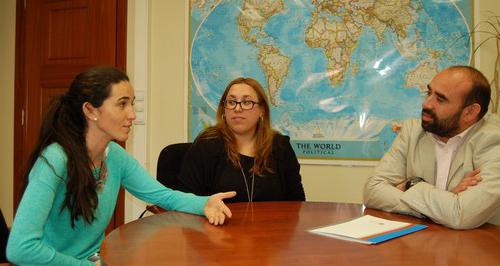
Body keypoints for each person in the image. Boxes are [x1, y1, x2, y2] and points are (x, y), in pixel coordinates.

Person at [6, 66, 236, 265]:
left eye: (132, 104)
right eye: (122, 104)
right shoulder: (55, 160)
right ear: (90, 110)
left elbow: (162, 195)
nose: (132, 115)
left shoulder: (114, 155)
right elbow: (20, 249)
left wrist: (204, 203)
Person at [364, 65, 500, 229]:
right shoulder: (412, 132)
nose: (426, 104)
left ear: (470, 112)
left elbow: (461, 215)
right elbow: (372, 192)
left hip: (475, 249)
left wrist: (410, 185)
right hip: (420, 245)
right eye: (429, 93)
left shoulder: (494, 141)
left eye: (440, 99)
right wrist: (448, 200)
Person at [176, 77, 305, 202]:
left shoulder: (280, 146)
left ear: (262, 110)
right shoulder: (205, 146)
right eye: (231, 102)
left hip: (272, 224)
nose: (238, 108)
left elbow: (297, 204)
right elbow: (186, 202)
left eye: (247, 102)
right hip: (217, 223)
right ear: (224, 110)